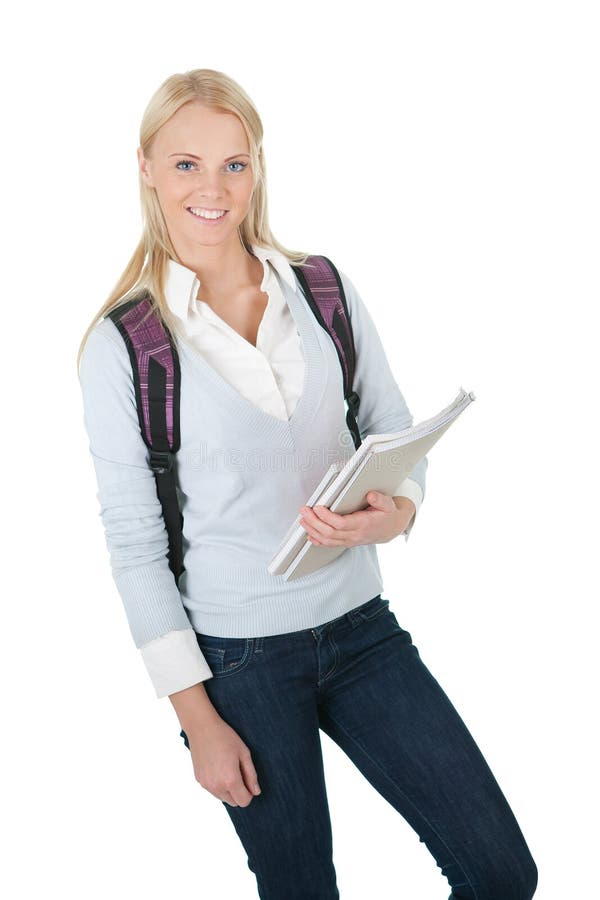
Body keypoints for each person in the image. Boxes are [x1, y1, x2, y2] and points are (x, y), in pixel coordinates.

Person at [77, 68, 538, 900]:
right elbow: (136, 549)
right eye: (185, 164)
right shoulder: (127, 346)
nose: (213, 189)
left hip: (362, 631)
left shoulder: (320, 289)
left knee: (501, 872)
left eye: (235, 164)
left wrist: (394, 513)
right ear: (145, 167)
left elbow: (394, 432)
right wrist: (199, 723)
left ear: (258, 169)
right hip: (238, 662)